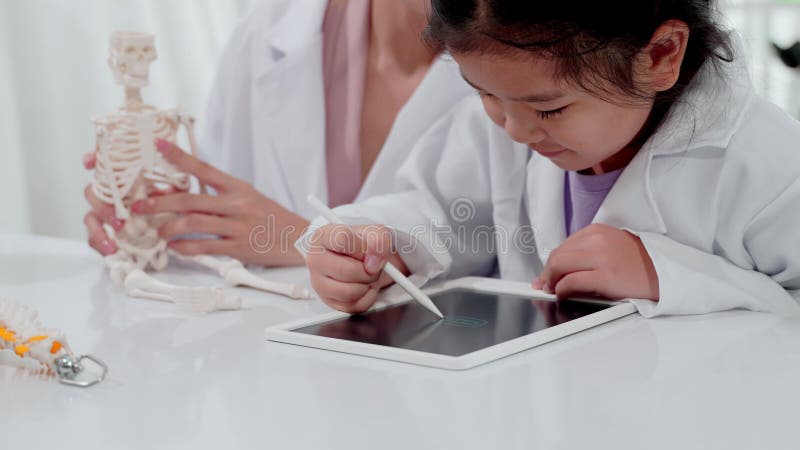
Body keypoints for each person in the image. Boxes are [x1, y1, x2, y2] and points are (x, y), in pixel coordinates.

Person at [304, 0, 800, 317]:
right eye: (484, 94)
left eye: (551, 107)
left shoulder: (766, 162)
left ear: (659, 56)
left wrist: (664, 276)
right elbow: (433, 210)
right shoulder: (500, 121)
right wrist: (377, 244)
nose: (514, 129)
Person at [82, 0, 471, 267]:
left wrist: (302, 240)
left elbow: (504, 258)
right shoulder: (270, 27)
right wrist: (153, 214)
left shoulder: (518, 77)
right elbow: (222, 217)